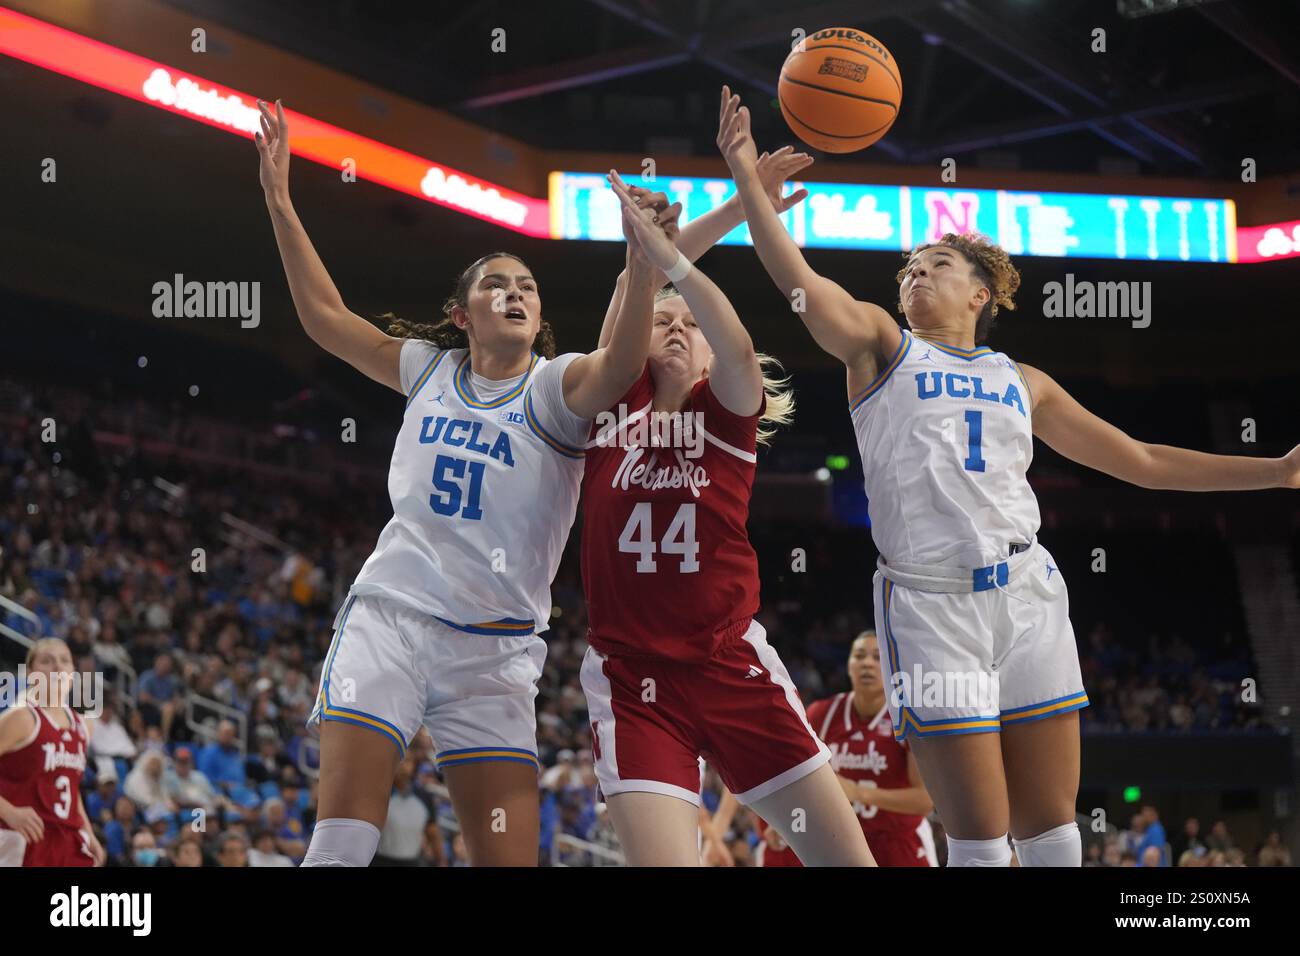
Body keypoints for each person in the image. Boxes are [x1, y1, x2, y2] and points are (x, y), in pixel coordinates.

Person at [715, 83, 1300, 867]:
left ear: (980, 292)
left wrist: (1280, 472)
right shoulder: (882, 347)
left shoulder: (1023, 379)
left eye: (937, 264)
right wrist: (749, 182)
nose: (914, 275)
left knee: (1053, 830)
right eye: (909, 269)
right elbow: (800, 287)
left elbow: (1144, 462)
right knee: (983, 840)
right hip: (931, 606)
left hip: (1027, 594)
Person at [253, 98, 668, 866]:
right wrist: (281, 200)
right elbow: (322, 316)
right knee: (343, 841)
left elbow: (620, 364)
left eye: (527, 287)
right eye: (495, 285)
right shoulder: (428, 370)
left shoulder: (554, 389)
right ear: (460, 314)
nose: (514, 292)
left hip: (497, 655)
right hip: (394, 621)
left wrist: (641, 260)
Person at [575, 170, 874, 866]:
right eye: (663, 322)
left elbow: (736, 346)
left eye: (691, 324)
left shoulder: (728, 415)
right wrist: (736, 207)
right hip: (632, 680)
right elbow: (631, 292)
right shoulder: (612, 400)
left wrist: (693, 241)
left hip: (729, 665)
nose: (678, 329)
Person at [716, 632, 938, 866]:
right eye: (859, 656)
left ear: (892, 668)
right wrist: (786, 820)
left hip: (896, 841)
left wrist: (857, 792)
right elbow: (782, 768)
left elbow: (924, 800)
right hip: (837, 838)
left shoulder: (907, 717)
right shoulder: (824, 713)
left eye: (876, 657)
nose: (867, 663)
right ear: (849, 666)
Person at [0, 638, 105, 866]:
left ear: (73, 672)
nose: (57, 667)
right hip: (20, 839)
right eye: (47, 661)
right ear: (30, 674)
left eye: (64, 661)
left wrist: (88, 832)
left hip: (67, 839)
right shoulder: (21, 718)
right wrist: (8, 811)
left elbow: (69, 785)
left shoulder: (84, 726)